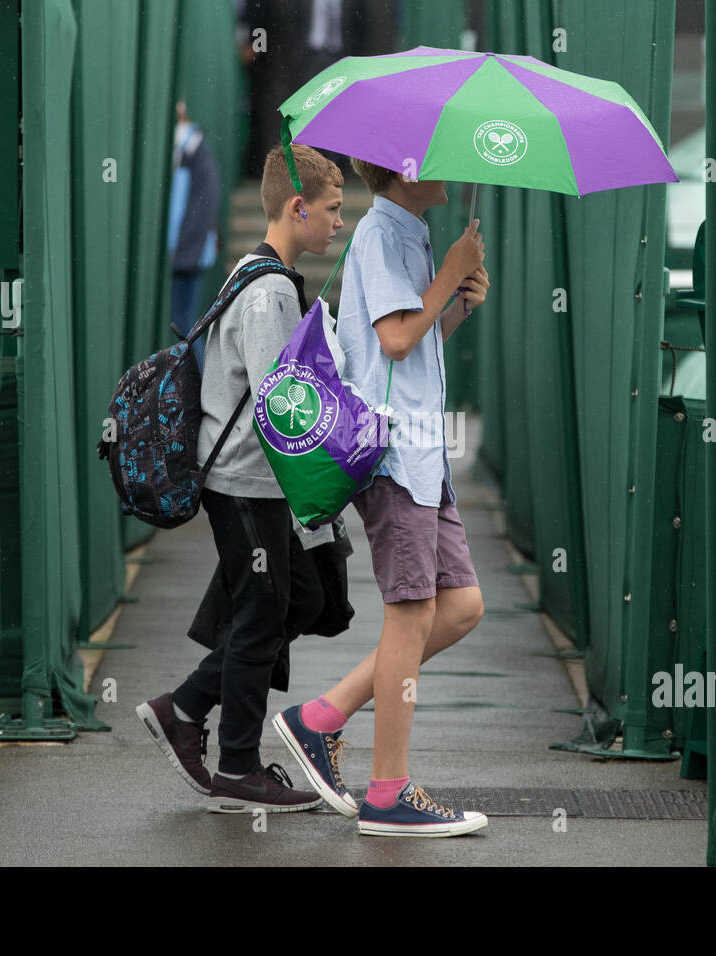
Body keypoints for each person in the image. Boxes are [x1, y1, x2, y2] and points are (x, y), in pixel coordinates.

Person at [272, 158, 492, 836]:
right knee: (411, 616)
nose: (456, 169)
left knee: (458, 608)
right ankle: (388, 793)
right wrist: (451, 274)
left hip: (425, 460)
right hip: (398, 458)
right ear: (407, 170)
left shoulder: (406, 232)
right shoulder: (381, 234)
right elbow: (396, 341)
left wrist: (452, 305)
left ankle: (320, 718)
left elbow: (408, 349)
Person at [138, 143, 346, 813]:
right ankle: (237, 767)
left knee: (299, 602)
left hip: (253, 485)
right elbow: (280, 405)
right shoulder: (269, 293)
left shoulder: (261, 276)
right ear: (297, 207)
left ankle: (185, 707)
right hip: (247, 485)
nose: (338, 223)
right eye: (333, 210)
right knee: (262, 614)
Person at [168, 101, 222, 365]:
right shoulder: (190, 148)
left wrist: (183, 252)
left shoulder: (191, 149)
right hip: (185, 251)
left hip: (186, 253)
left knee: (184, 322)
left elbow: (200, 208)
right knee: (183, 321)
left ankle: (200, 385)